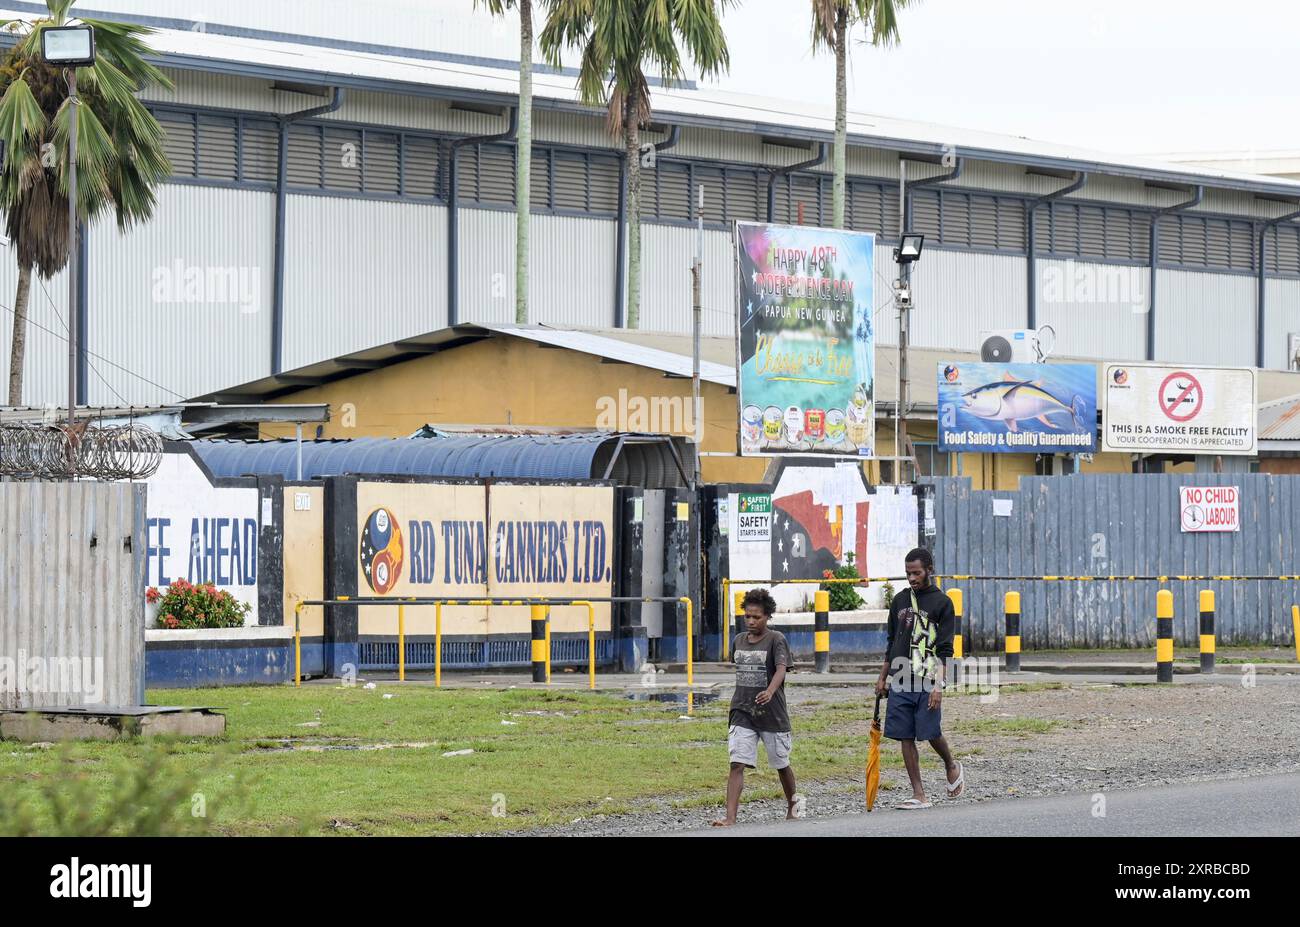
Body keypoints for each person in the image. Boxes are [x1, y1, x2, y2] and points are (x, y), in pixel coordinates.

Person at [874, 547, 965, 809]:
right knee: (905, 735)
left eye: (916, 573)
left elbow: (945, 649)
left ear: (929, 570)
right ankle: (919, 794)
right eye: (908, 573)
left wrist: (938, 685)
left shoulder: (942, 603)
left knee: (930, 732)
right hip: (901, 677)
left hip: (927, 678)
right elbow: (892, 642)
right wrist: (882, 678)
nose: (911, 578)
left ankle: (950, 763)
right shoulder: (900, 600)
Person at [712, 587, 801, 826]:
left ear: (767, 616)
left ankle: (794, 804)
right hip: (742, 711)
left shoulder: (776, 640)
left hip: (772, 713)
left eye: (756, 617)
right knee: (737, 763)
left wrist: (770, 692)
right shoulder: (738, 640)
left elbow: (782, 669)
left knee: (781, 764)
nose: (751, 621)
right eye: (747, 616)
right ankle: (730, 817)